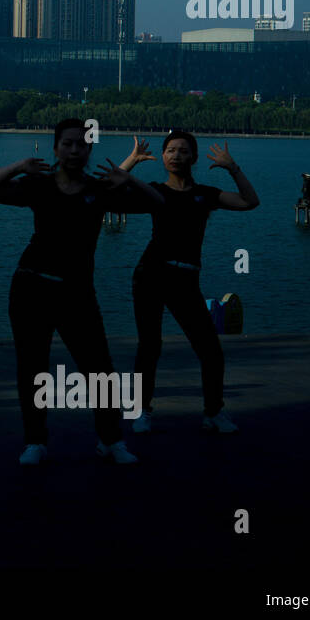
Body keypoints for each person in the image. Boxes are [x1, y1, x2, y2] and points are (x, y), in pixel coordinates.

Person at [0, 119, 163, 467]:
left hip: (77, 292)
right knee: (32, 368)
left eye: (81, 145)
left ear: (90, 149)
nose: (75, 150)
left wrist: (131, 178)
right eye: (67, 144)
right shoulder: (39, 185)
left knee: (100, 370)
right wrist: (18, 166)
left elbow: (158, 205)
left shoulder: (101, 188)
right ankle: (35, 442)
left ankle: (110, 440)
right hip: (31, 287)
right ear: (56, 148)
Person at [117, 132, 259, 433]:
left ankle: (213, 411)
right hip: (151, 275)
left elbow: (249, 202)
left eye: (182, 151)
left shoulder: (205, 194)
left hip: (186, 279)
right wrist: (131, 160)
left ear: (193, 158)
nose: (175, 155)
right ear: (163, 157)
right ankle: (142, 409)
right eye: (170, 150)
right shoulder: (154, 191)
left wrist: (232, 167)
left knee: (209, 348)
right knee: (149, 345)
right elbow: (108, 194)